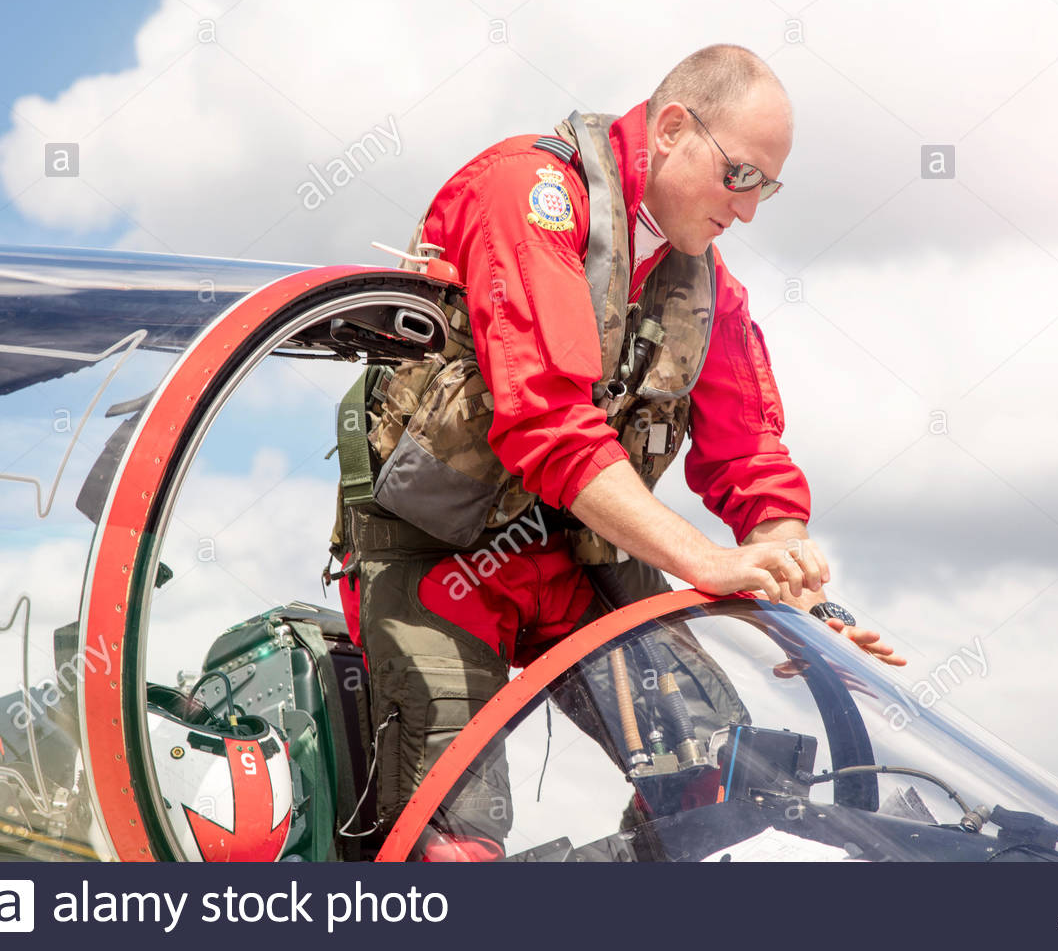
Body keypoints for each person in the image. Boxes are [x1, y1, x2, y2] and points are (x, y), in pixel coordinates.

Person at [330, 44, 904, 859]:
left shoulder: (706, 284)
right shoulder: (526, 197)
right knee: (453, 846)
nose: (746, 212)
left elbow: (750, 461)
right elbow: (547, 428)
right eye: (740, 176)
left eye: (765, 188)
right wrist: (708, 562)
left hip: (576, 552)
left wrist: (789, 582)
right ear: (673, 128)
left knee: (733, 781)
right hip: (439, 554)